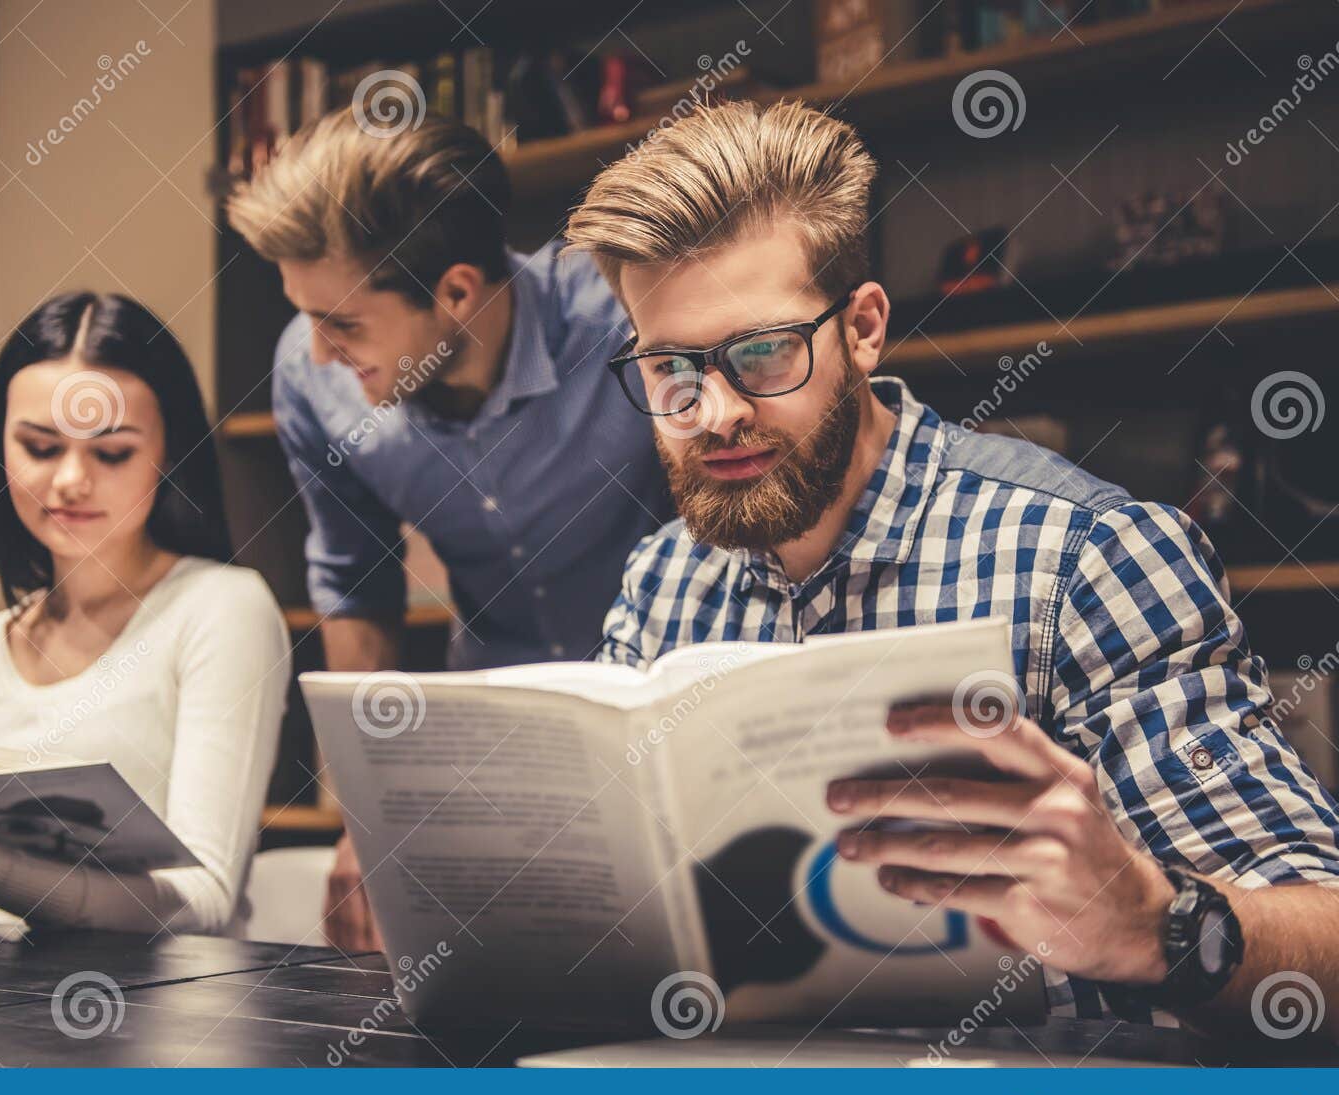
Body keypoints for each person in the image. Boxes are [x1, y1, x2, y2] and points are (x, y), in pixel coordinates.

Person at [559, 99, 1339, 1037]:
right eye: (671, 370)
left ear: (862, 328)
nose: (714, 412)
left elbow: (1322, 934)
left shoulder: (1088, 558)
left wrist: (1154, 924)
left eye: (764, 354)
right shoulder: (661, 583)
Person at [226, 110, 671, 950]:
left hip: (663, 722)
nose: (318, 353)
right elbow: (356, 588)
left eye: (345, 324)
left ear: (456, 292)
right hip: (487, 738)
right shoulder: (309, 379)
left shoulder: (623, 316)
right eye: (308, 317)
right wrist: (366, 816)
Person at [0, 292, 290, 936]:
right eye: (40, 447)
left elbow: (203, 903)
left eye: (112, 452)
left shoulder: (222, 609)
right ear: (0, 448)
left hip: (159, 1022)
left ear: (169, 451)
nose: (70, 480)